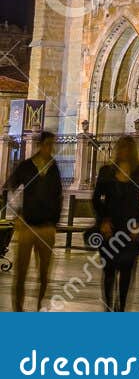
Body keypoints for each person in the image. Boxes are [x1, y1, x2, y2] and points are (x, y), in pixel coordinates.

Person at [91, 135, 139, 311]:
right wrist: (103, 220)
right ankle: (108, 307)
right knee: (109, 271)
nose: (124, 151)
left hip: (131, 229)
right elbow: (96, 199)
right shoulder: (106, 172)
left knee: (127, 270)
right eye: (121, 147)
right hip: (110, 228)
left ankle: (121, 308)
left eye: (128, 148)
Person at [4, 130, 62, 313]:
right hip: (28, 226)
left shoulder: (54, 168)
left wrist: (55, 222)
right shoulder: (27, 166)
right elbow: (10, 186)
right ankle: (18, 310)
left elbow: (58, 195)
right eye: (48, 144)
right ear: (41, 144)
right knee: (21, 273)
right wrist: (17, 211)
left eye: (53, 145)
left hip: (46, 227)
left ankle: (39, 307)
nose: (51, 148)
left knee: (44, 274)